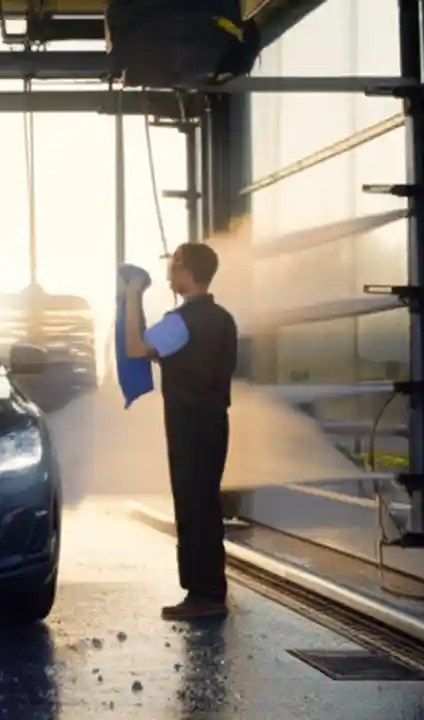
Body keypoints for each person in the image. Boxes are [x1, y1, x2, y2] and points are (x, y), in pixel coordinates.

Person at [122, 243, 238, 620]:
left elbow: (135, 347)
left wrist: (130, 294)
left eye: (174, 266)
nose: (170, 274)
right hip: (215, 422)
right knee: (207, 504)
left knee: (191, 505)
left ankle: (202, 595)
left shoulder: (179, 322)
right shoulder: (224, 319)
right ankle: (211, 589)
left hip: (187, 424)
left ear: (188, 270)